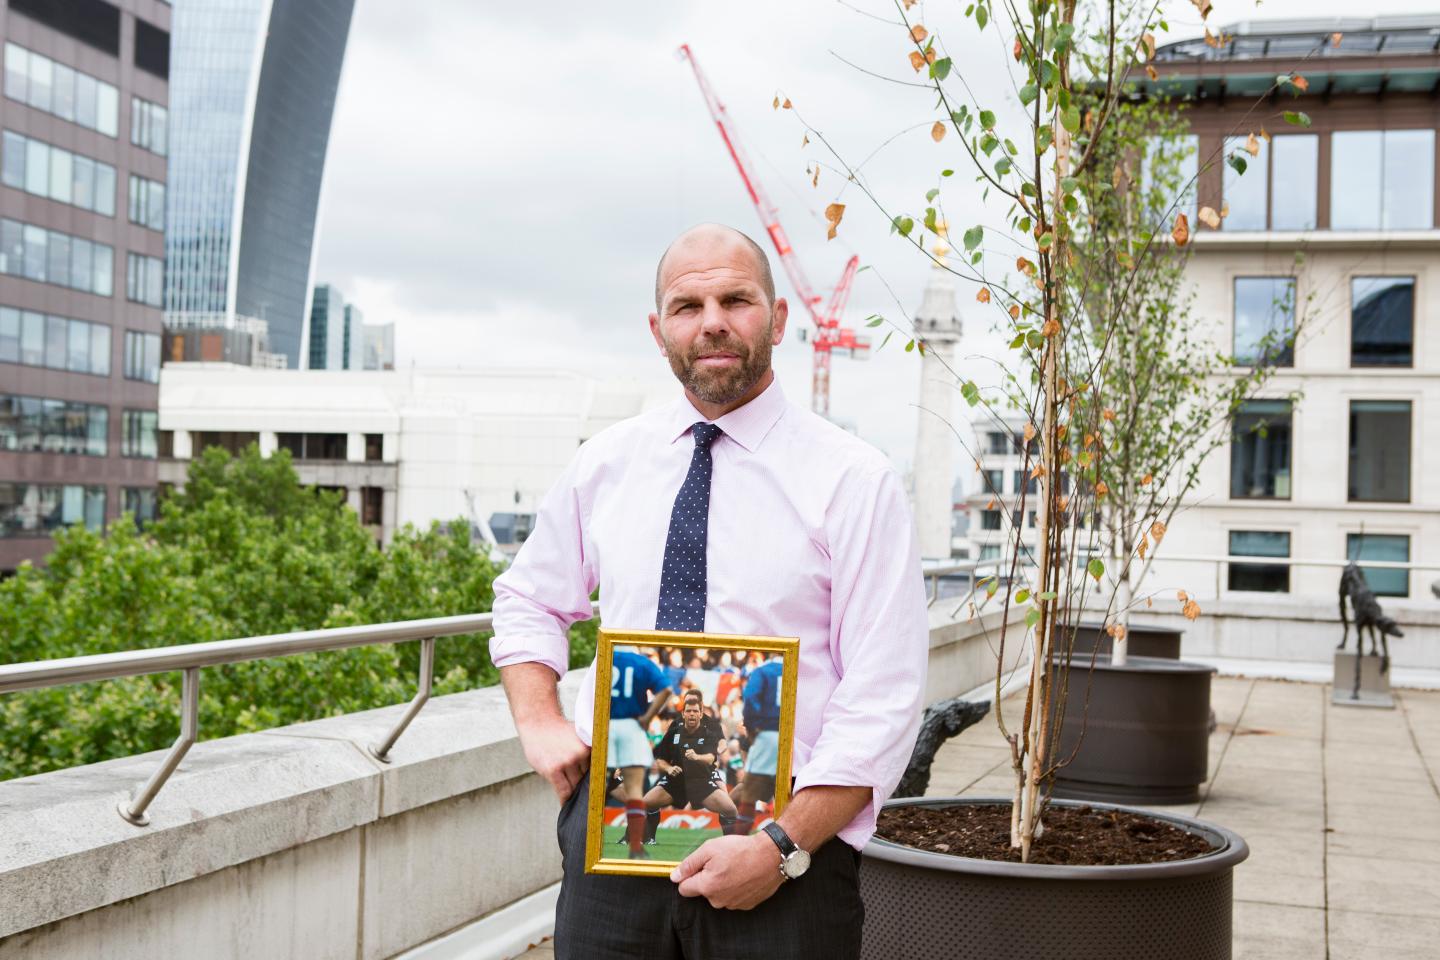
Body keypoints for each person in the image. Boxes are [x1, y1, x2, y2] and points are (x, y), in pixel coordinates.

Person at [490, 223, 928, 959]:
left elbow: (883, 692)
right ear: (658, 329)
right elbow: (528, 598)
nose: (712, 322)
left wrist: (781, 846)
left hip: (787, 848)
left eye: (736, 300)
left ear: (778, 319)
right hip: (616, 835)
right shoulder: (606, 464)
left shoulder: (854, 480)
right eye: (688, 306)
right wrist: (538, 719)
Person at [643, 689, 740, 842]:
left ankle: (730, 843)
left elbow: (713, 754)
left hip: (701, 780)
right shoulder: (674, 728)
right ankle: (646, 838)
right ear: (683, 713)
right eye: (688, 710)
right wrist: (669, 768)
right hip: (677, 781)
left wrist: (700, 756)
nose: (692, 714)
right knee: (645, 803)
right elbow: (660, 758)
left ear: (700, 711)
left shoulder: (710, 728)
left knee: (730, 809)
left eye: (695, 710)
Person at [607, 645, 673, 859]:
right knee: (635, 791)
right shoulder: (641, 662)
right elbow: (666, 690)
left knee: (594, 787)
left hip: (604, 726)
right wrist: (647, 717)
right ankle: (635, 848)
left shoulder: (605, 657)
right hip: (631, 726)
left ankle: (586, 844)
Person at [730, 654, 784, 836]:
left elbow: (750, 698)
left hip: (768, 734)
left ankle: (737, 842)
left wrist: (753, 729)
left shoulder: (763, 671)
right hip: (797, 738)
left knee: (749, 794)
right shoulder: (802, 671)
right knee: (788, 795)